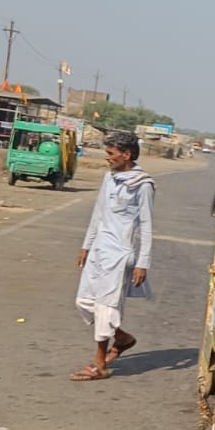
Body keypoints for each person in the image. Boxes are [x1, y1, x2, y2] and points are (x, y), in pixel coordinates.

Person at [72, 131, 155, 381]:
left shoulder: (143, 185)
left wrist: (143, 262)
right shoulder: (109, 179)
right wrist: (86, 247)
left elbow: (147, 225)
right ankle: (122, 338)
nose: (107, 158)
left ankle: (99, 364)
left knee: (106, 308)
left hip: (120, 255)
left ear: (126, 155)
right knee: (84, 302)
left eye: (111, 153)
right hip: (98, 250)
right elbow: (98, 214)